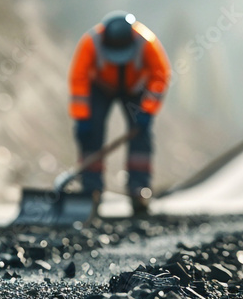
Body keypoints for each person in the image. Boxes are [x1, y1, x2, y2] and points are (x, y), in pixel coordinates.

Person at [69, 11, 171, 218]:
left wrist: (147, 111)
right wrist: (82, 117)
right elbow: (78, 79)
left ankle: (138, 191)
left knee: (140, 137)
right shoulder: (90, 43)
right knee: (91, 135)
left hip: (134, 89)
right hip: (101, 87)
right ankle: (91, 192)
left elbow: (160, 76)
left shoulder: (146, 42)